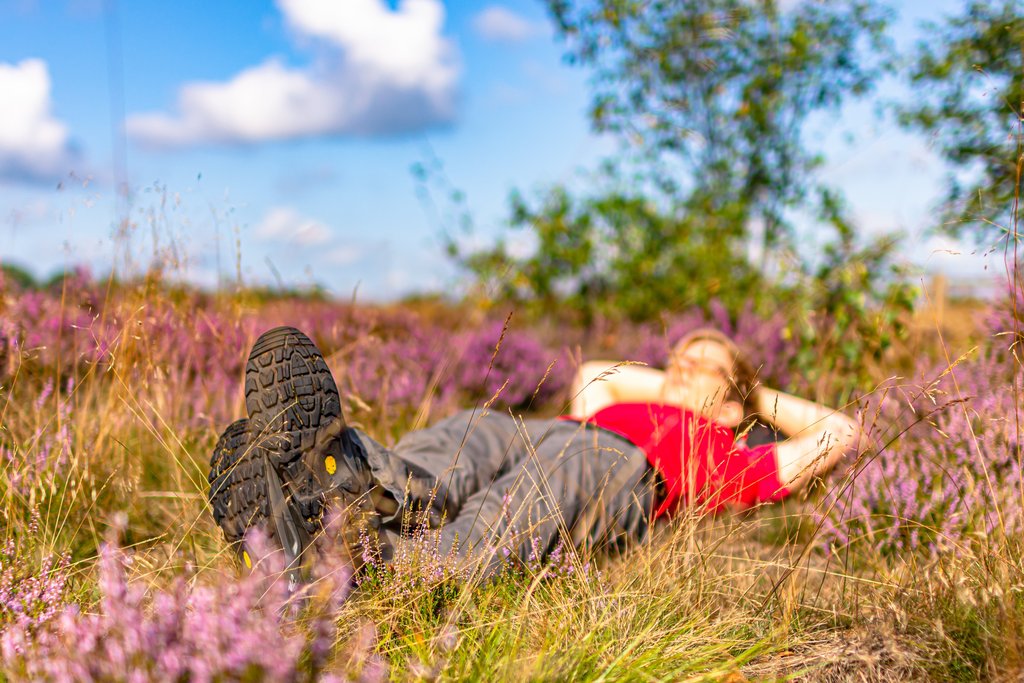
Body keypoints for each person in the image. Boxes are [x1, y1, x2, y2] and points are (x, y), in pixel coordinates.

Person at [207, 326, 859, 580]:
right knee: (468, 430)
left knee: (505, 515)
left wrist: (747, 397)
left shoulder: (724, 454)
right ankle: (337, 473)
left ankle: (369, 562)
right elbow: (596, 374)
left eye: (701, 364)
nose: (680, 367)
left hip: (618, 467)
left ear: (734, 407)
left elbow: (840, 431)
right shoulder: (618, 397)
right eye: (676, 357)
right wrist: (690, 376)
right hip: (546, 429)